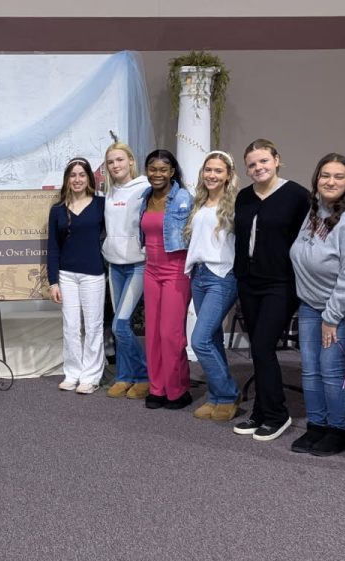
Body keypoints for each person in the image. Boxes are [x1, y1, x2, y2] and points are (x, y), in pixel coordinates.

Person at [231, 139, 311, 441]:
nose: (258, 168)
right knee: (257, 349)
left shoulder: (296, 195)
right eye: (252, 164)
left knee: (264, 346)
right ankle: (262, 411)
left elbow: (306, 239)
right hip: (248, 281)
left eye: (264, 161)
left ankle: (278, 415)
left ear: (277, 160)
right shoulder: (243, 197)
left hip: (281, 283)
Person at [288, 153, 345, 456]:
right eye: (325, 175)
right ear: (316, 179)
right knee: (309, 369)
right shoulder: (314, 212)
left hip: (342, 311)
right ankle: (316, 426)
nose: (330, 181)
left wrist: (332, 317)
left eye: (338, 176)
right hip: (310, 304)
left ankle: (337, 430)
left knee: (330, 369)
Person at [183, 150, 240, 422]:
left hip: (222, 275)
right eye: (208, 170)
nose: (212, 175)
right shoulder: (199, 203)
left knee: (200, 340)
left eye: (218, 170)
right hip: (199, 274)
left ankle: (228, 394)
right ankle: (217, 397)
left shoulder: (235, 205)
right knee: (213, 338)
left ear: (228, 175)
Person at [137, 149, 194, 410]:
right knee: (153, 334)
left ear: (172, 172)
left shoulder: (184, 198)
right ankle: (157, 388)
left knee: (170, 334)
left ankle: (178, 389)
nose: (156, 174)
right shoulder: (145, 198)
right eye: (152, 169)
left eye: (162, 169)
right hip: (151, 271)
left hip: (175, 272)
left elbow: (194, 234)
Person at [47, 157, 107, 394]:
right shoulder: (57, 211)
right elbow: (52, 247)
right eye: (73, 175)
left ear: (89, 178)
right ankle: (72, 373)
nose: (77, 179)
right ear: (67, 179)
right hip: (66, 276)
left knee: (93, 327)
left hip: (93, 274)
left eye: (82, 175)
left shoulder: (101, 205)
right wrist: (53, 281)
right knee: (71, 326)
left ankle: (90, 376)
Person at [101, 142, 151, 399]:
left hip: (137, 265)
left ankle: (143, 375)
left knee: (121, 325)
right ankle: (124, 375)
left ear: (131, 161)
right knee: (122, 326)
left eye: (120, 160)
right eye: (110, 162)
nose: (116, 165)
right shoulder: (108, 191)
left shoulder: (144, 188)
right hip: (114, 265)